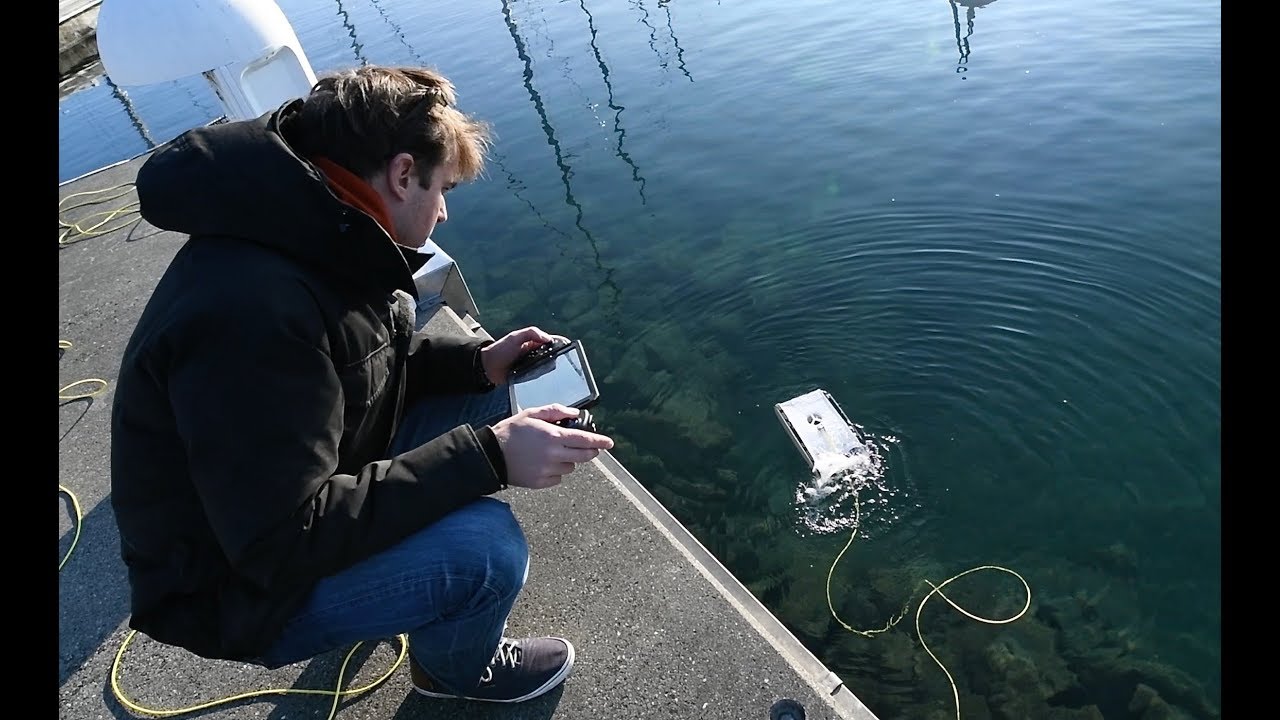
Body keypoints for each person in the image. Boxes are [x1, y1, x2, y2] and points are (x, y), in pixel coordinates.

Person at [109, 64, 615, 705]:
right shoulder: (251, 315)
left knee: (496, 392)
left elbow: (366, 358)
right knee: (485, 552)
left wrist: (477, 364)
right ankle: (457, 673)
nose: (445, 211)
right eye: (442, 188)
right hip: (240, 589)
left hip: (296, 494)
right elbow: (281, 542)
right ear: (403, 174)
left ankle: (398, 579)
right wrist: (488, 458)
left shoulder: (323, 221)